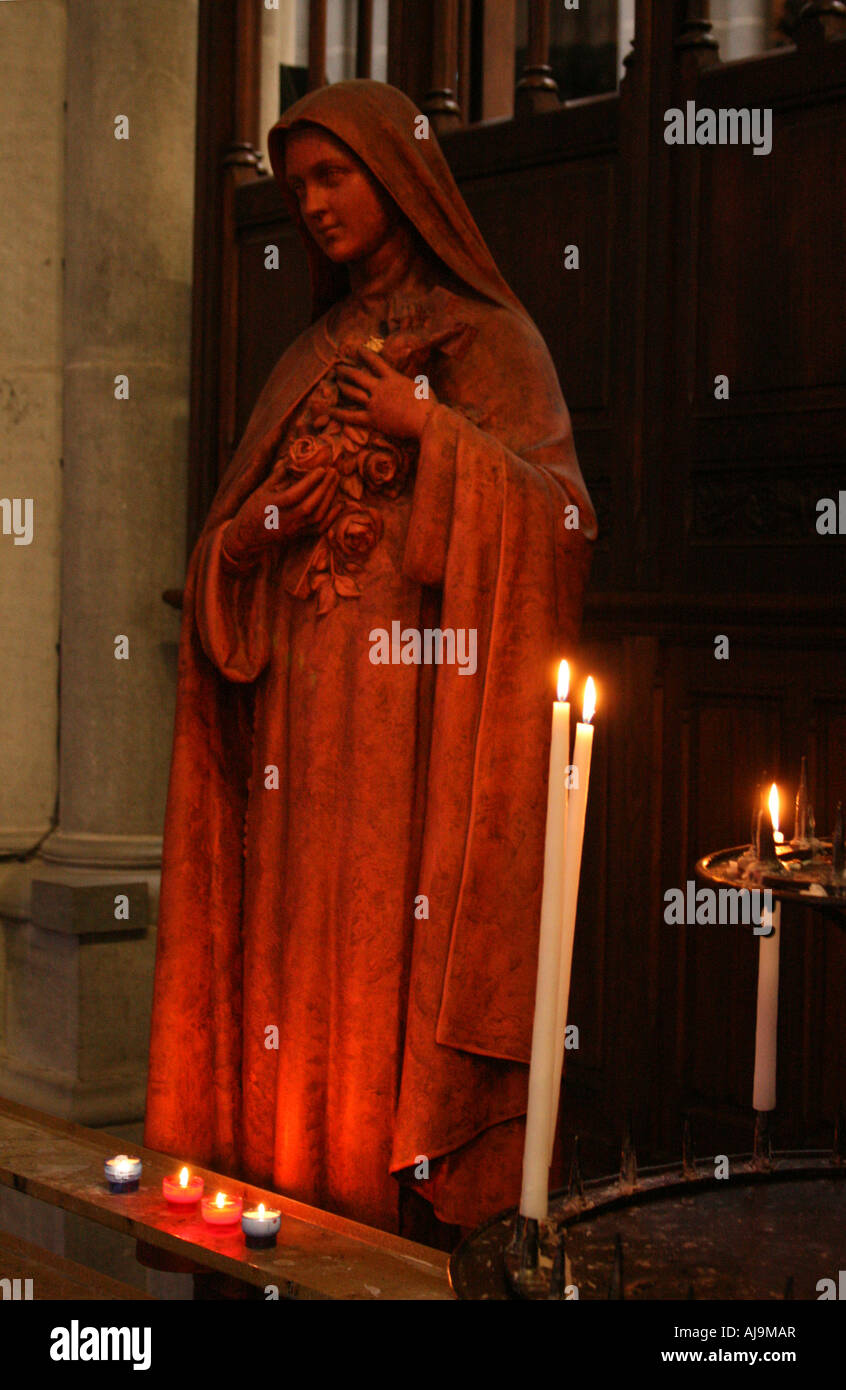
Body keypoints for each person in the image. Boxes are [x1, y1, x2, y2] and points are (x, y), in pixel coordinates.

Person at [143, 79, 597, 1249]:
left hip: (416, 741)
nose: (311, 204)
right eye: (297, 185)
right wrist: (252, 538)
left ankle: (383, 1236)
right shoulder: (307, 355)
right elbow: (224, 565)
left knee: (388, 965)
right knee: (295, 981)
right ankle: (287, 1221)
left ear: (400, 175)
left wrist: (427, 431)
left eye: (333, 175)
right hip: (299, 733)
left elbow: (560, 526)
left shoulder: (491, 342)